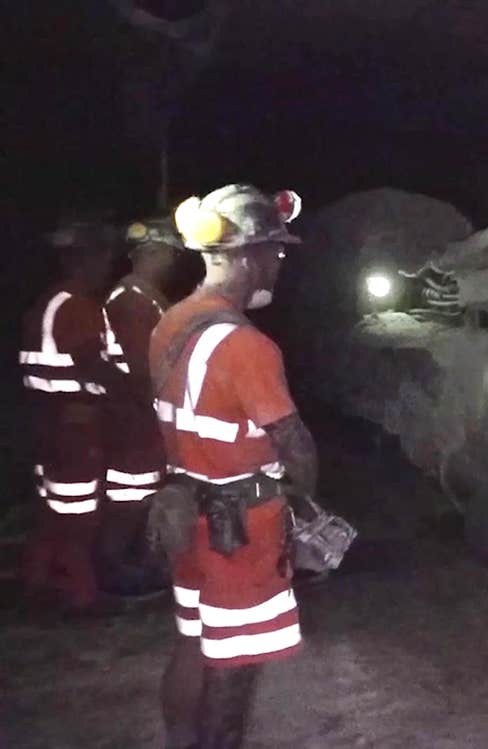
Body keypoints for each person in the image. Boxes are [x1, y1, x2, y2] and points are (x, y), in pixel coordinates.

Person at [150, 184, 316, 749]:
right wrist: (304, 509)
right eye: (276, 250)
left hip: (185, 514)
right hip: (240, 532)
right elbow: (297, 450)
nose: (279, 263)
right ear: (248, 255)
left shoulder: (170, 323)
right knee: (235, 670)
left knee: (194, 644)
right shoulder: (248, 347)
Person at [19, 220, 119, 612]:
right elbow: (94, 367)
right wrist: (138, 394)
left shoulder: (46, 302)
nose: (107, 268)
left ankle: (37, 583)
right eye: (104, 258)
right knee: (79, 515)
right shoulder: (77, 306)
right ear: (86, 259)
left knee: (52, 510)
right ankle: (82, 595)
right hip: (75, 426)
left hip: (47, 422)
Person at [96, 218, 184, 595]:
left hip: (143, 419)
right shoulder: (132, 299)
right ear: (153, 253)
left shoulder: (144, 295)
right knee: (130, 497)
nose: (175, 262)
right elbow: (140, 368)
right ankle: (114, 571)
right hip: (134, 421)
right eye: (170, 253)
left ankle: (132, 565)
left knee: (143, 495)